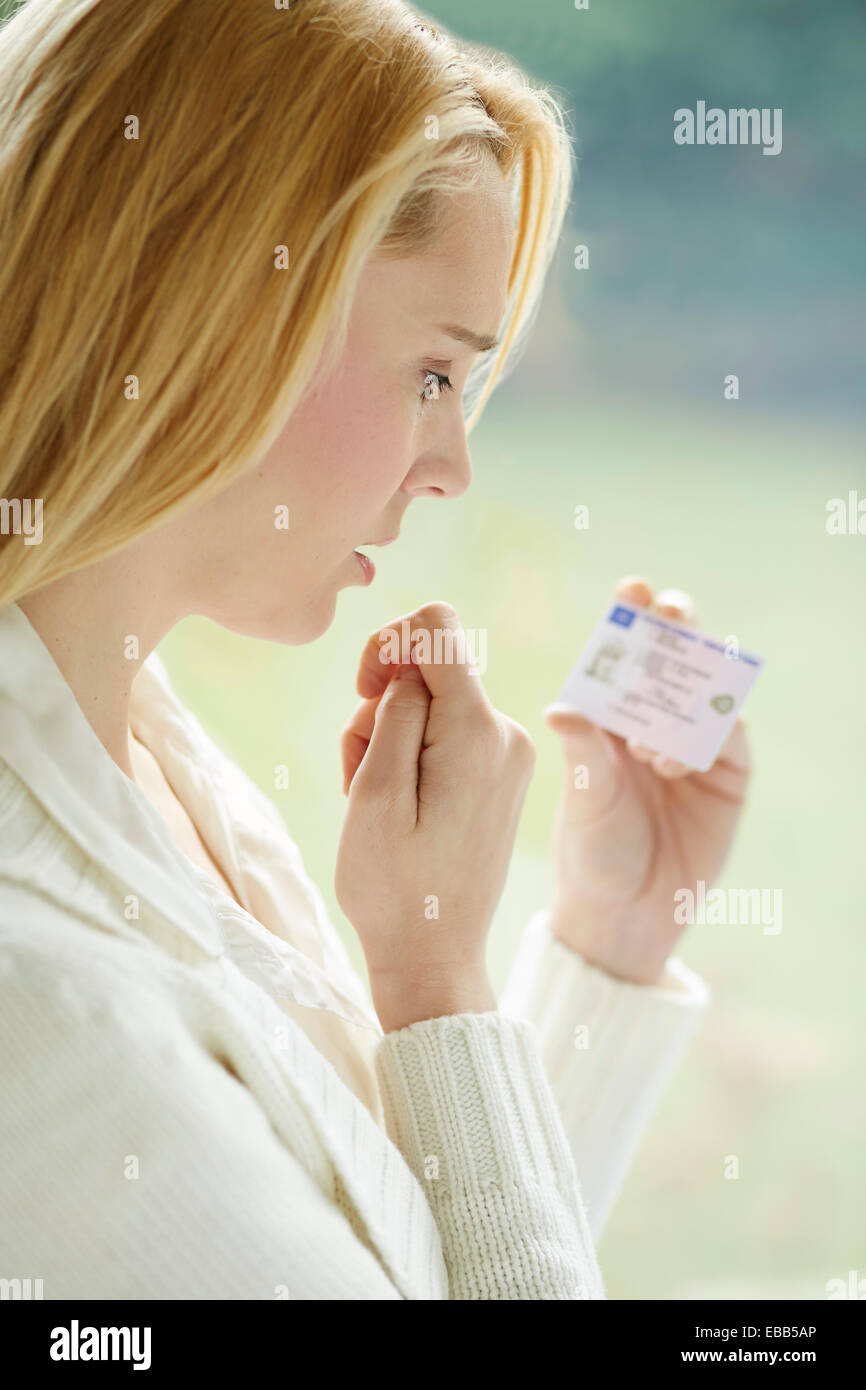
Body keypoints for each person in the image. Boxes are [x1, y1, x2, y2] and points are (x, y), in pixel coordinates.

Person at [0, 0, 750, 1300]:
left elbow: (400, 1257)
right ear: (220, 313)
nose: (452, 465)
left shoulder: (144, 758)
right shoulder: (43, 1007)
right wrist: (430, 975)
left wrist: (604, 938)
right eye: (431, 375)